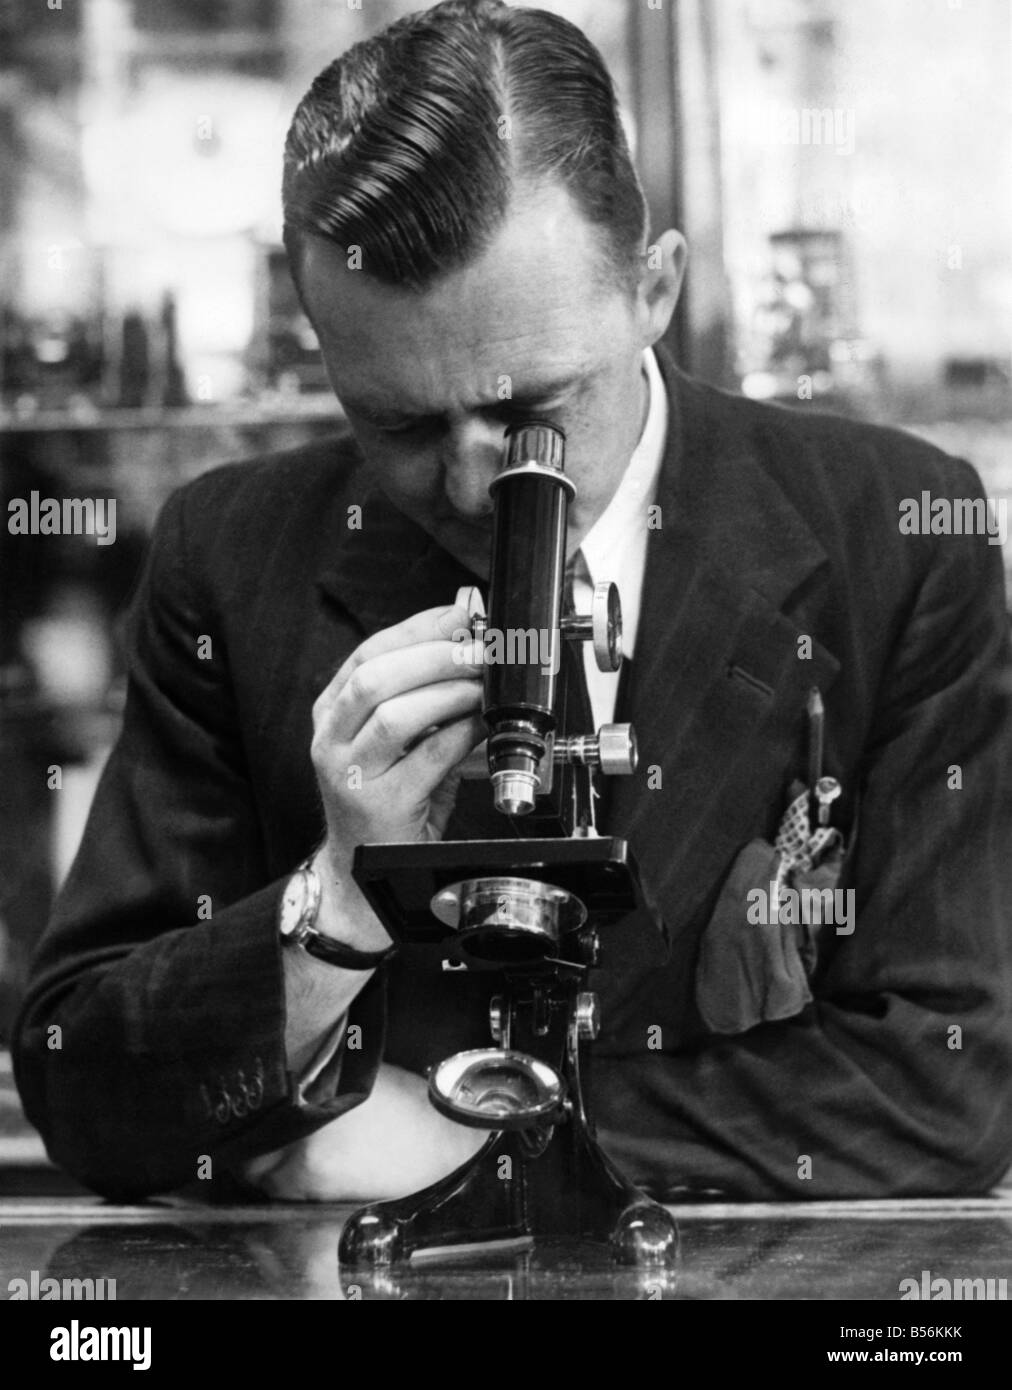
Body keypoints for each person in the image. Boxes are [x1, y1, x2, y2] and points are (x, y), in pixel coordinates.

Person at [13, 0, 1012, 1204]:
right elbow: (86, 1083)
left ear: (654, 288)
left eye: (532, 407)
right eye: (398, 422)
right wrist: (333, 898)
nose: (476, 481)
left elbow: (950, 1079)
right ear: (322, 343)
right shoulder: (235, 554)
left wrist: (467, 1142)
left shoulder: (894, 534)